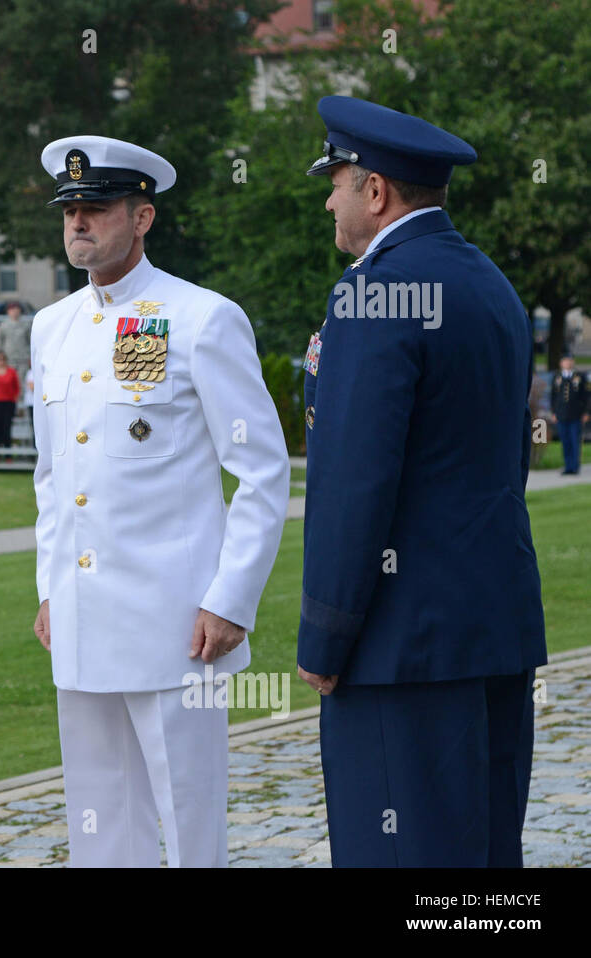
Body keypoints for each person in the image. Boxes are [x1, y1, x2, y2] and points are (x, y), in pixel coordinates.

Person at [296, 96, 545, 867]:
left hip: (400, 645)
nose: (329, 200)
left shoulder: (374, 292)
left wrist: (325, 635)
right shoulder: (489, 284)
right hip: (492, 626)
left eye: (336, 181)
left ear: (375, 191)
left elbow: (352, 483)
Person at [31, 135, 290, 867]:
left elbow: (264, 469)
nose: (79, 221)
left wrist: (232, 598)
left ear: (142, 217)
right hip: (80, 622)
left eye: (97, 207)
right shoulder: (50, 328)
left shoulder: (202, 317)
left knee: (189, 818)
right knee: (98, 820)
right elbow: (53, 479)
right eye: (70, 209)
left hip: (176, 627)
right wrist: (50, 587)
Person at [551, 353, 588, 474]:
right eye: (565, 361)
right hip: (561, 414)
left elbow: (586, 396)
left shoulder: (580, 377)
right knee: (565, 441)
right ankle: (568, 466)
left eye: (569, 361)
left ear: (573, 362)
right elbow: (553, 396)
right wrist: (553, 412)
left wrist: (586, 412)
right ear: (561, 363)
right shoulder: (557, 377)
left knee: (574, 441)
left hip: (576, 415)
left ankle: (575, 466)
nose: (567, 363)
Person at [0, 301, 32, 406]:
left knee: (21, 382)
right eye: (12, 310)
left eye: (16, 309)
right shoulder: (3, 326)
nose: (14, 312)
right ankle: (10, 404)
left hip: (22, 358)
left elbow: (30, 342)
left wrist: (30, 357)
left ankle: (21, 406)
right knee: (8, 382)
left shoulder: (26, 325)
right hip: (8, 359)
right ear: (8, 312)